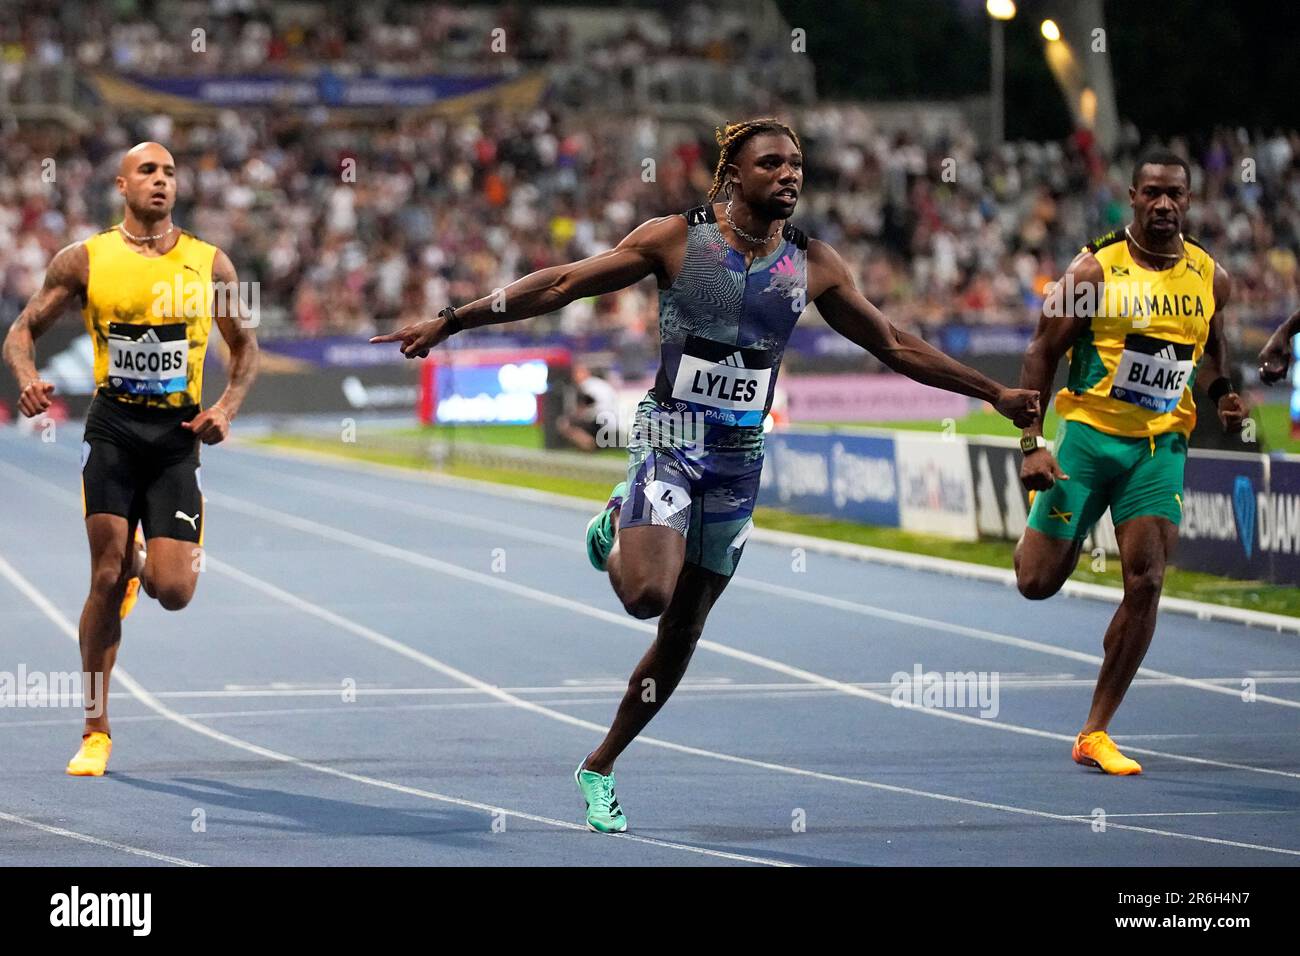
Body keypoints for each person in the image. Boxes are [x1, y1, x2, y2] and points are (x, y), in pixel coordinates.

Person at [373, 118, 1039, 831]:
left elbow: (895, 343)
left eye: (798, 165)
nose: (790, 175)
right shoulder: (677, 238)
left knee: (684, 632)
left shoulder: (814, 264)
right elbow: (565, 283)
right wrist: (453, 319)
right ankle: (618, 523)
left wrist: (992, 393)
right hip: (670, 433)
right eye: (773, 164)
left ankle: (599, 765)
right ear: (734, 176)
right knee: (646, 598)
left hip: (738, 458)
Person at [1, 142, 260, 776]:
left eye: (170, 172)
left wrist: (224, 408)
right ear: (122, 185)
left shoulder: (212, 265)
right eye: (148, 171)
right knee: (105, 576)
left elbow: (246, 348)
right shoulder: (85, 260)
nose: (161, 181)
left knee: (172, 592)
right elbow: (21, 330)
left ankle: (154, 561)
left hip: (177, 438)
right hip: (113, 429)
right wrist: (27, 376)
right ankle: (95, 730)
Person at [1014, 150, 1247, 775]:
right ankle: (1043, 519)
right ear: (1133, 197)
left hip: (1159, 446)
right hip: (1089, 440)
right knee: (1036, 582)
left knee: (1146, 581)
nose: (1164, 204)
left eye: (1175, 194)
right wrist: (1033, 442)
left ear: (1190, 201)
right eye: (1152, 194)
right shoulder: (1092, 271)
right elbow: (1040, 352)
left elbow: (1215, 352)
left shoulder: (1210, 276)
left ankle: (1095, 731)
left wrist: (1224, 395)